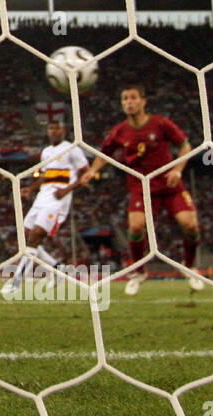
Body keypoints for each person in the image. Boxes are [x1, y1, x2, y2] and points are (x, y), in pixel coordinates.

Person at [80, 85, 203, 294]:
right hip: (141, 187)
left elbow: (185, 146)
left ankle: (190, 267)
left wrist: (178, 170)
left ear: (143, 101)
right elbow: (105, 154)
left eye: (133, 97)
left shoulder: (161, 123)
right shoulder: (119, 131)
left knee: (190, 225)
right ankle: (139, 272)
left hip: (170, 185)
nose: (128, 102)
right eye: (124, 98)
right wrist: (92, 170)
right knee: (135, 227)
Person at [2, 121, 90, 298]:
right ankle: (58, 271)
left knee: (35, 236)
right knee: (26, 236)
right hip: (42, 197)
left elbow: (85, 173)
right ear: (48, 132)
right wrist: (31, 188)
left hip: (58, 200)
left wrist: (66, 190)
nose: (54, 131)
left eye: (58, 128)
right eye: (51, 128)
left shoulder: (72, 148)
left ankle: (17, 281)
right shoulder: (46, 152)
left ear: (64, 131)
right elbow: (45, 175)